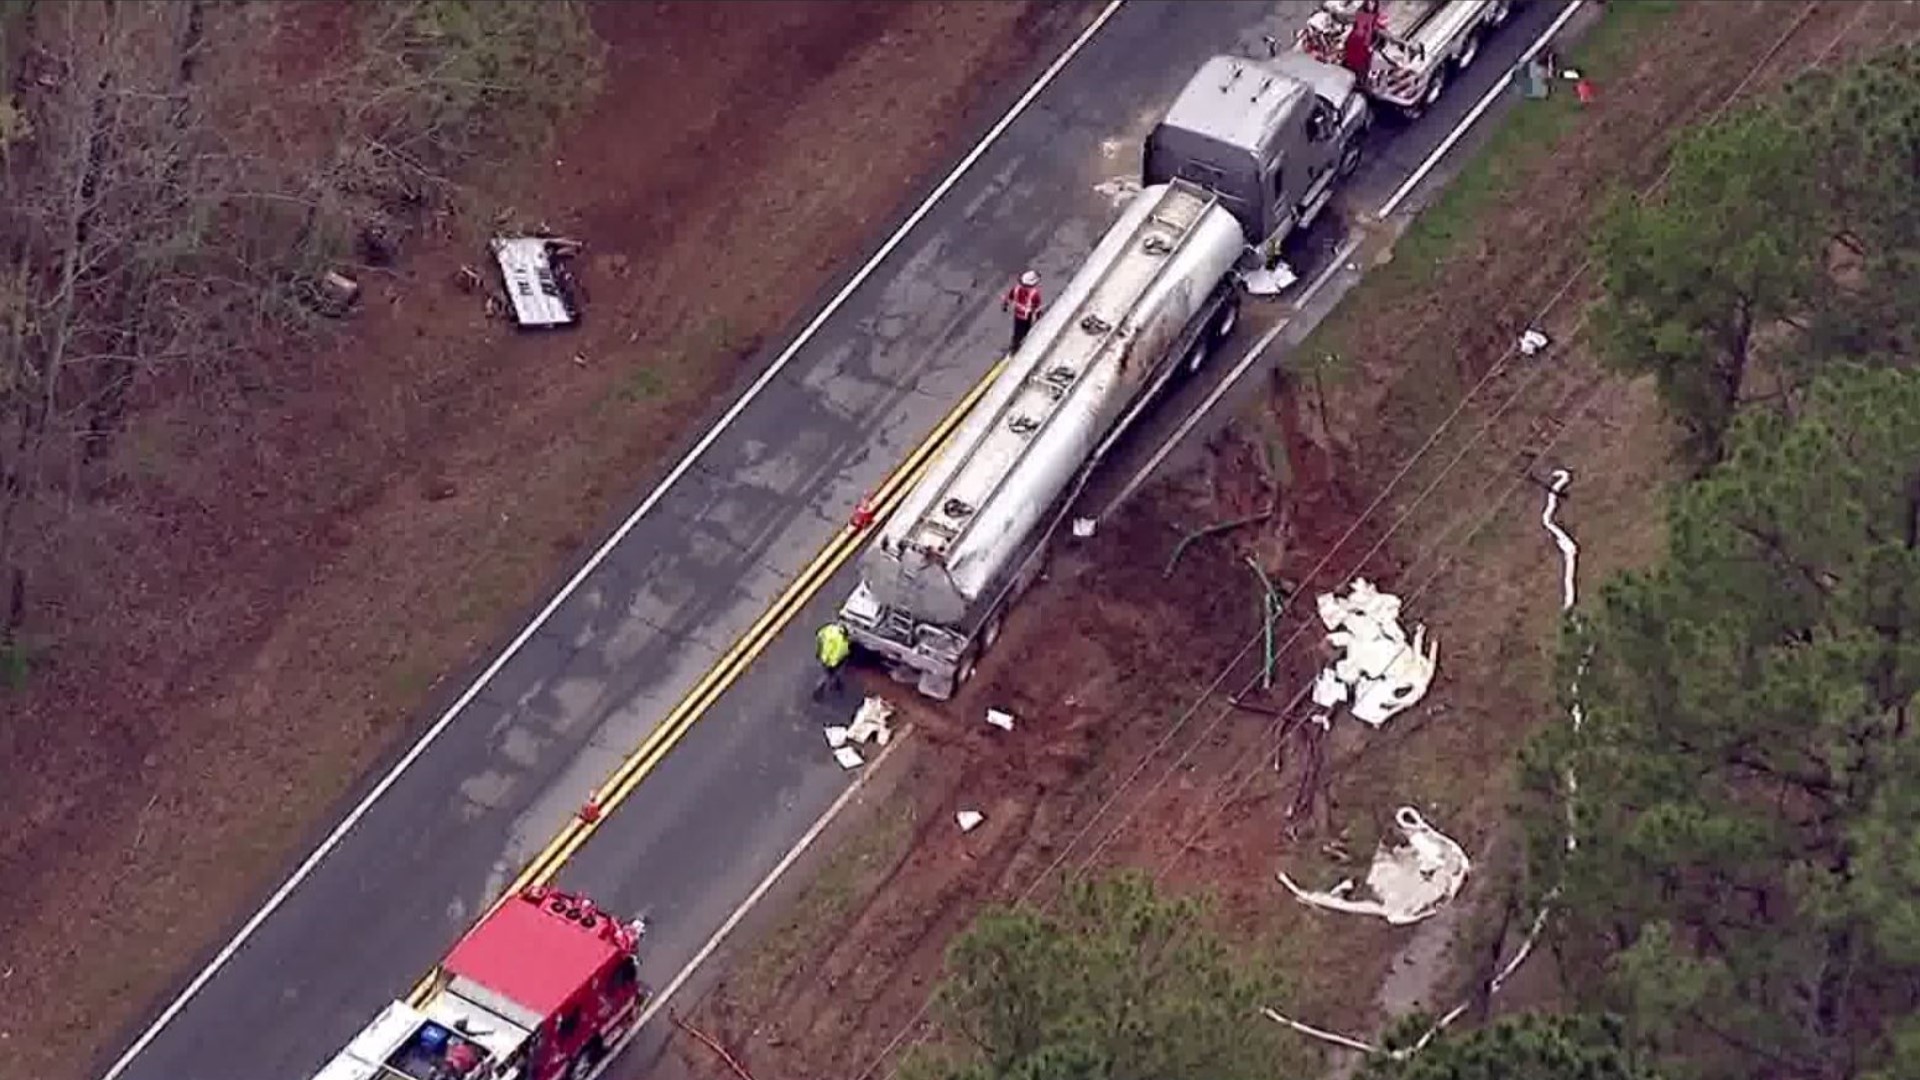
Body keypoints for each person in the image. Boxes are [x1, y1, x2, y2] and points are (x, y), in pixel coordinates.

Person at [1002, 269, 1044, 352]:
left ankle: (1015, 344)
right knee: (1024, 330)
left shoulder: (1016, 289)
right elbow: (1037, 307)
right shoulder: (1034, 294)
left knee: (1017, 330)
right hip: (1026, 316)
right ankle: (1016, 345)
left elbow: (1008, 298)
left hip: (1017, 314)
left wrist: (1005, 306)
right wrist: (1038, 316)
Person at [813, 621, 851, 701]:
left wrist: (819, 652)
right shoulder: (839, 639)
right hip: (832, 662)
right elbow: (838, 651)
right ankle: (820, 690)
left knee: (831, 674)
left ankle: (836, 684)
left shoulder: (831, 629)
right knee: (828, 676)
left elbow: (820, 635)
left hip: (829, 660)